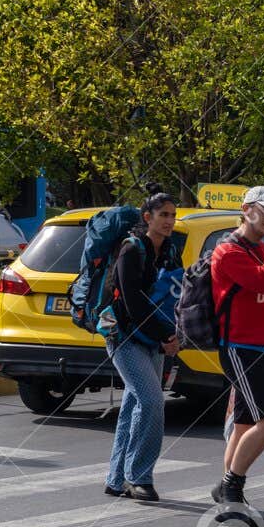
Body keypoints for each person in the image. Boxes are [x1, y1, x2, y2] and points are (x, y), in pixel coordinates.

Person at [210, 185, 264, 518]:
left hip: (263, 345)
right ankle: (233, 486)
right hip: (242, 347)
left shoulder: (257, 249)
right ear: (246, 209)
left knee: (244, 423)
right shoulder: (228, 251)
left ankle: (225, 490)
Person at [103, 192, 181, 502]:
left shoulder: (170, 252)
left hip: (154, 339)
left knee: (134, 405)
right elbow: (133, 303)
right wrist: (166, 334)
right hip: (123, 336)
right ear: (147, 217)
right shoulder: (130, 250)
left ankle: (116, 479)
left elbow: (178, 294)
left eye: (173, 215)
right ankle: (140, 477)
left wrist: (176, 334)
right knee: (151, 401)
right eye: (163, 214)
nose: (169, 221)